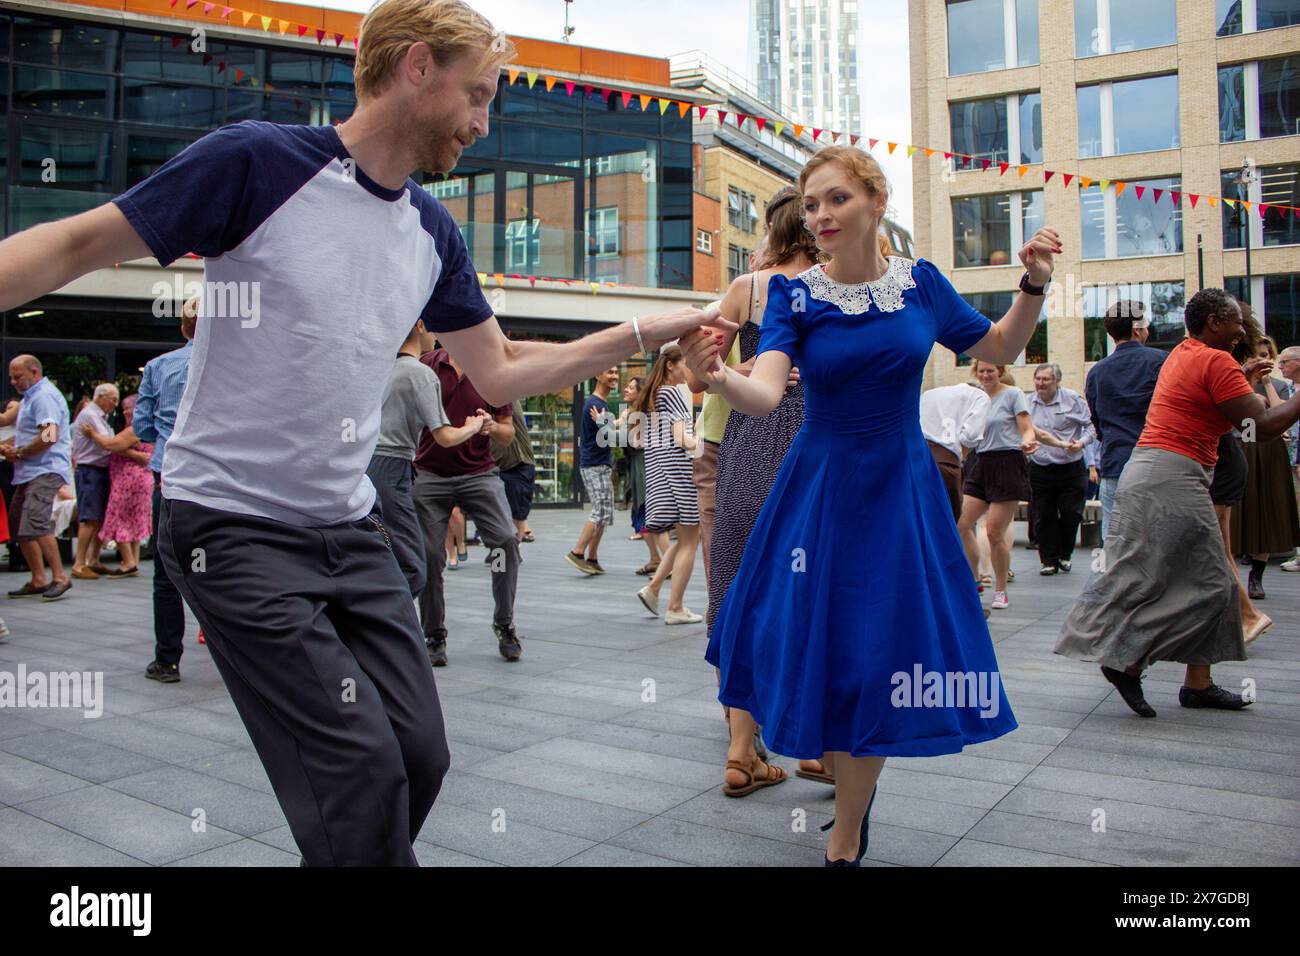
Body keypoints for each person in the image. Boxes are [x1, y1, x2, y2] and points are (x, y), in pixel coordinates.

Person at [0, 0, 707, 866]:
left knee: (419, 754)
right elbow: (78, 242)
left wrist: (653, 330)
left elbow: (503, 370)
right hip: (231, 523)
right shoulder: (257, 163)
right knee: (363, 773)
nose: (483, 124)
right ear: (417, 66)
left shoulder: (431, 233)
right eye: (478, 94)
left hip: (347, 526)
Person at [680, 145, 1059, 865]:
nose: (820, 215)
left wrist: (1034, 284)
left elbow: (1003, 341)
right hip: (820, 487)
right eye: (812, 203)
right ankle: (824, 798)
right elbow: (765, 391)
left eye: (836, 200)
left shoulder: (921, 284)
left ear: (876, 202)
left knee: (880, 652)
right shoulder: (795, 296)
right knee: (832, 649)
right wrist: (721, 379)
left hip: (900, 488)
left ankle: (847, 832)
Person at [1055, 289, 1300, 717]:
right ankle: (1127, 662)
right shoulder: (1214, 359)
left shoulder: (1185, 353)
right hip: (1172, 475)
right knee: (1209, 580)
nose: (1241, 329)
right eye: (1235, 322)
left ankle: (1195, 683)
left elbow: (1226, 406)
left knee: (1181, 575)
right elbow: (1259, 427)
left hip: (1150, 471)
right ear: (1213, 324)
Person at [685, 184, 817, 794]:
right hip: (820, 446)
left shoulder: (750, 289)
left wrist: (747, 370)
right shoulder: (845, 288)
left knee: (737, 582)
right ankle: (819, 746)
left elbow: (696, 371)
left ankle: (742, 749)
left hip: (751, 447)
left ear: (777, 231)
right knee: (814, 590)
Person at [368, 319, 491, 598]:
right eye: (434, 328)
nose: (437, 337)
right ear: (420, 326)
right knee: (413, 567)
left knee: (384, 556)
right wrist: (473, 426)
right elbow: (445, 437)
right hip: (393, 469)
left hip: (367, 469)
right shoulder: (420, 373)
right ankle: (382, 630)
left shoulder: (382, 369)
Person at [956, 362, 1069, 610]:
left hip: (1008, 461)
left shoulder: (1013, 394)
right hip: (981, 463)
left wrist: (1028, 443)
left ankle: (1000, 589)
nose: (985, 375)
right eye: (981, 371)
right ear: (976, 372)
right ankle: (975, 580)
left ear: (1000, 371)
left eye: (990, 371)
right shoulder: (974, 397)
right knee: (962, 524)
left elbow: (1028, 429)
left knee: (995, 531)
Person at [1083, 301, 1166, 539]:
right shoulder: (1162, 361)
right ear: (1137, 329)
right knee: (1156, 536)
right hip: (1155, 460)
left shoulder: (1097, 372)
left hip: (1115, 462)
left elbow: (1096, 421)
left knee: (1115, 538)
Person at [634, 346, 705, 625]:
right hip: (680, 472)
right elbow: (681, 438)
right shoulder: (673, 394)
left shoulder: (652, 396)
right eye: (686, 363)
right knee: (691, 539)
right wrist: (703, 445)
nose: (689, 369)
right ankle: (675, 607)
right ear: (672, 365)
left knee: (682, 539)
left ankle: (653, 590)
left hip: (661, 475)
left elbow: (639, 441)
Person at [1230, 329, 1300, 599]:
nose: (1261, 360)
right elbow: (1237, 411)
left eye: (1265, 355)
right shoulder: (1236, 380)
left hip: (1269, 450)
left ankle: (1256, 577)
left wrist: (1268, 383)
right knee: (1239, 510)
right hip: (1242, 446)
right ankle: (1235, 572)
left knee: (1267, 510)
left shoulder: (1280, 385)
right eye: (1254, 355)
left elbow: (1281, 411)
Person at [1, 355, 73, 601]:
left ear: (34, 372)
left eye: (17, 376)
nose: (13, 381)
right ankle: (38, 578)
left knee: (35, 519)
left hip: (45, 468)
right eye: (11, 376)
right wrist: (11, 447)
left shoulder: (43, 396)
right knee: (18, 522)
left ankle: (60, 577)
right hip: (31, 469)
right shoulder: (31, 397)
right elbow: (29, 434)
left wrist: (19, 452)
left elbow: (50, 435)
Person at [1027, 363, 1095, 575]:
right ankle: (1048, 560)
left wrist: (1082, 443)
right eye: (1038, 379)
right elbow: (1020, 429)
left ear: (1056, 381)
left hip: (1071, 467)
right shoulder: (1028, 403)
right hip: (1040, 467)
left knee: (1070, 513)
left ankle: (1065, 554)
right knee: (1043, 515)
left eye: (1046, 379)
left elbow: (1091, 426)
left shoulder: (1072, 400)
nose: (1041, 384)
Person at [91, 395, 154, 576]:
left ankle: (127, 561)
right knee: (133, 520)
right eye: (124, 408)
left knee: (117, 517)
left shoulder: (135, 429)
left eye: (130, 408)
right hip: (141, 479)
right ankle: (133, 561)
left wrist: (92, 434)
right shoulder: (147, 427)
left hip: (129, 480)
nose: (126, 411)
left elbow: (111, 444)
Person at [566, 366, 619, 575]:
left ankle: (592, 558)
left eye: (616, 372)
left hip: (601, 464)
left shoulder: (600, 404)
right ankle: (577, 552)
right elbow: (611, 436)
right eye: (610, 372)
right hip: (594, 466)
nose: (614, 376)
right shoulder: (594, 404)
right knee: (599, 511)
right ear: (598, 375)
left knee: (605, 514)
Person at [70, 382, 120, 579]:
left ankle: (93, 559)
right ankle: (79, 563)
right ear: (100, 397)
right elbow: (108, 443)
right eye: (112, 399)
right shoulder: (90, 415)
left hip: (98, 470)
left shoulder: (101, 417)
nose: (114, 404)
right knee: (90, 518)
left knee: (98, 518)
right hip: (90, 470)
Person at [920, 382, 990, 522]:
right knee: (946, 525)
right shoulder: (980, 397)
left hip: (915, 460)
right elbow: (970, 436)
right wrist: (962, 457)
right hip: (945, 463)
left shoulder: (928, 395)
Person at [492, 402, 537, 543]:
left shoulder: (507, 399)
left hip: (518, 463)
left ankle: (512, 549)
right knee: (497, 513)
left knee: (517, 515)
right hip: (495, 465)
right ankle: (503, 548)